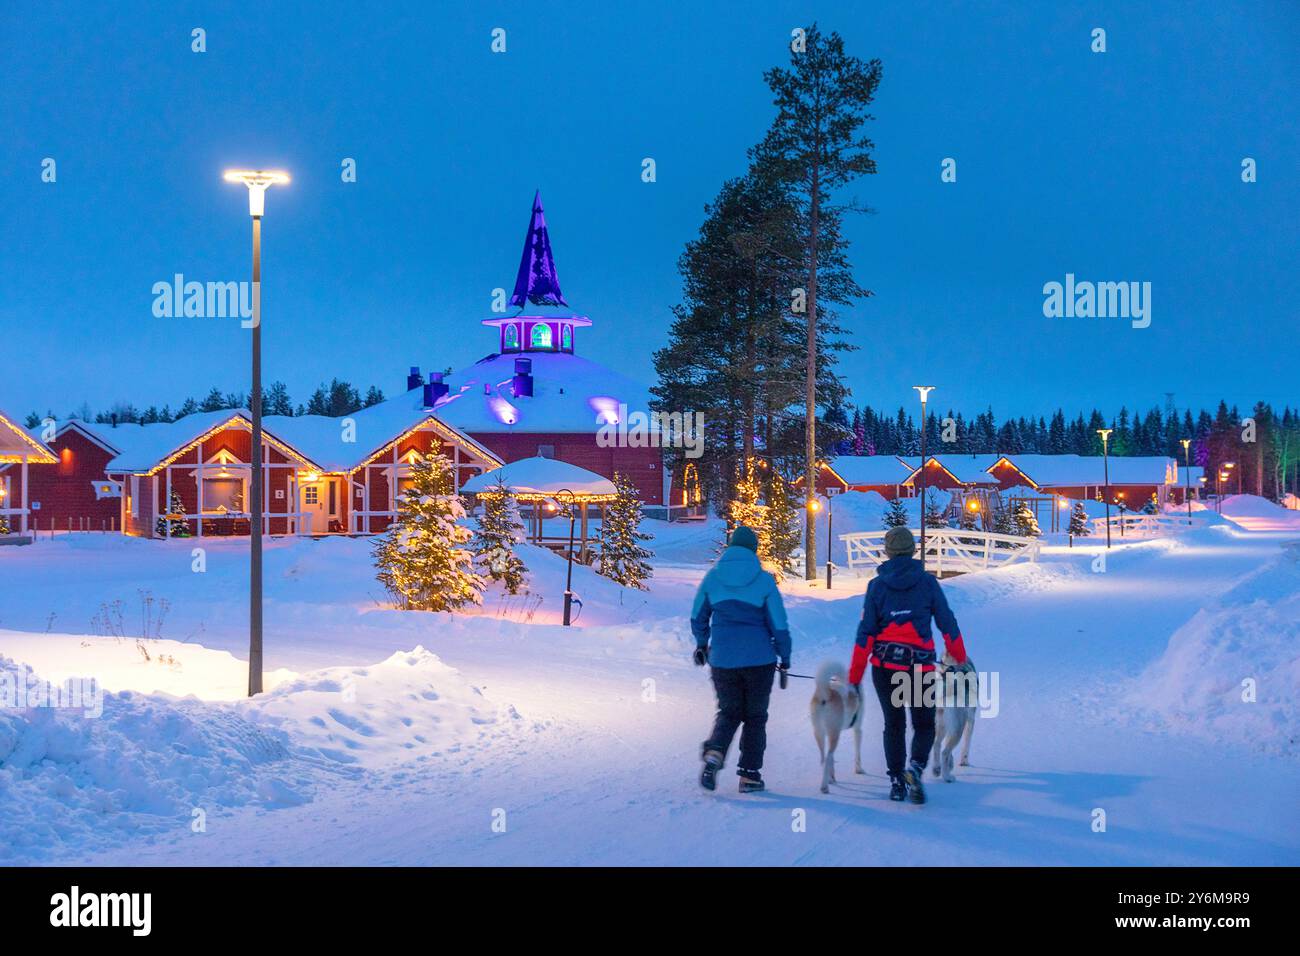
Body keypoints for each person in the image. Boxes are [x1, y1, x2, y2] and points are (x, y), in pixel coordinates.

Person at [848, 525, 968, 804]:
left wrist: (854, 675)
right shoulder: (928, 583)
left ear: (888, 552)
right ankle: (915, 767)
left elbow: (865, 633)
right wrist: (959, 657)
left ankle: (896, 782)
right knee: (924, 724)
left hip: (886, 667)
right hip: (919, 667)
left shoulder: (877, 586)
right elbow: (947, 622)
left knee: (894, 724)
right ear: (913, 550)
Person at [691, 525, 791, 793]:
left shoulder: (713, 578)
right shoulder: (764, 581)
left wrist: (702, 643)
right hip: (760, 661)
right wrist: (785, 656)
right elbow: (779, 625)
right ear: (753, 550)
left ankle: (715, 752)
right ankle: (749, 776)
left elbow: (697, 616)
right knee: (755, 717)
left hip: (723, 659)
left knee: (729, 710)